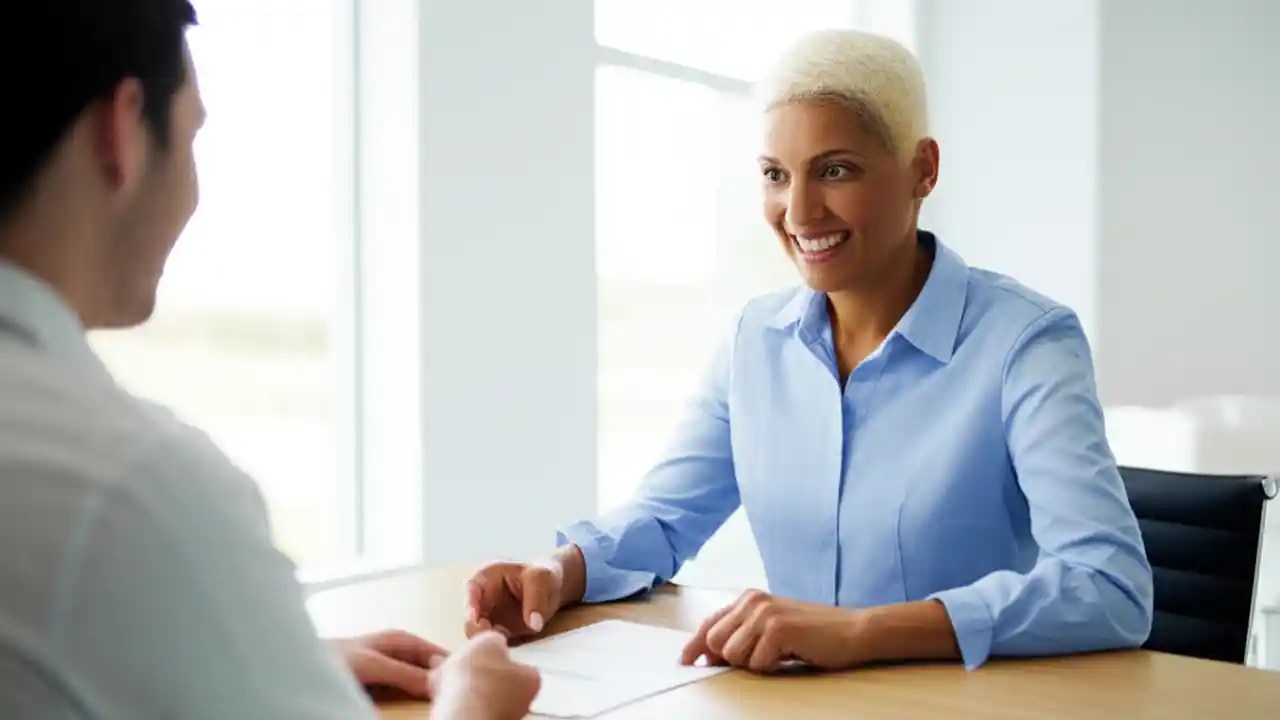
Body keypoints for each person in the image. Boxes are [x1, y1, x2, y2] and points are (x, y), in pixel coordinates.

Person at [465, 29, 1154, 673]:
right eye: (774, 175)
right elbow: (664, 518)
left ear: (923, 170)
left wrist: (861, 631)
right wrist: (558, 572)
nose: (797, 213)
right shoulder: (754, 343)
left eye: (835, 171)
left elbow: (1110, 586)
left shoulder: (1026, 343)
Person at [0, 3, 537, 718]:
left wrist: (254, 660)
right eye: (192, 138)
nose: (192, 194)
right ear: (121, 130)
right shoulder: (133, 490)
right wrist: (473, 701)